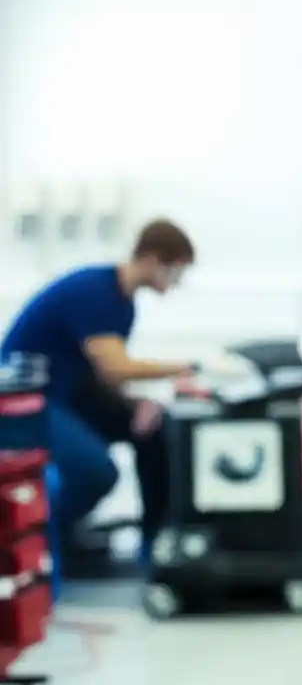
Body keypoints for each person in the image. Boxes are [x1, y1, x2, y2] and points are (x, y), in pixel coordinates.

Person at [0, 220, 197, 559]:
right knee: (96, 472)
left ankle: (153, 543)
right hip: (28, 401)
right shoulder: (94, 291)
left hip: (67, 396)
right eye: (174, 271)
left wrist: (137, 403)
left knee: (154, 429)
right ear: (152, 259)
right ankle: (43, 542)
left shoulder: (124, 305)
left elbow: (105, 377)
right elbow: (116, 365)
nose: (174, 282)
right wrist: (184, 367)